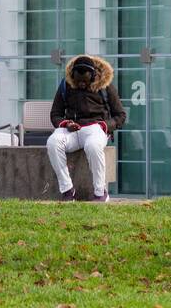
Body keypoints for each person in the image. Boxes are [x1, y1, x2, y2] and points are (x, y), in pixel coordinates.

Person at [47, 54, 126, 202]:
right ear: (72, 76)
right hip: (72, 129)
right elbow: (55, 114)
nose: (82, 84)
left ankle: (100, 192)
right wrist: (65, 124)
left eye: (85, 81)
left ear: (93, 76)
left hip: (96, 128)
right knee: (53, 142)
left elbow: (120, 115)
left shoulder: (105, 87)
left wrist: (104, 125)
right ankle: (67, 190)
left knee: (93, 145)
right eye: (78, 81)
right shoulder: (66, 85)